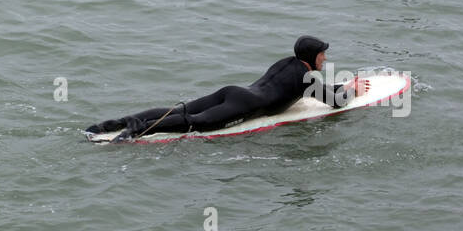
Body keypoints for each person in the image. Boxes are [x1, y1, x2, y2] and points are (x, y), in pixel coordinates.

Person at [85, 36, 368, 140]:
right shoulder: (308, 80)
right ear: (311, 57)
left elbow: (317, 89)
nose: (326, 58)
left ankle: (110, 124)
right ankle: (137, 131)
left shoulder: (288, 64)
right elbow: (336, 102)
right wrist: (353, 89)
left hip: (233, 92)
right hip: (244, 107)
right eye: (322, 54)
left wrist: (344, 82)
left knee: (180, 109)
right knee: (193, 123)